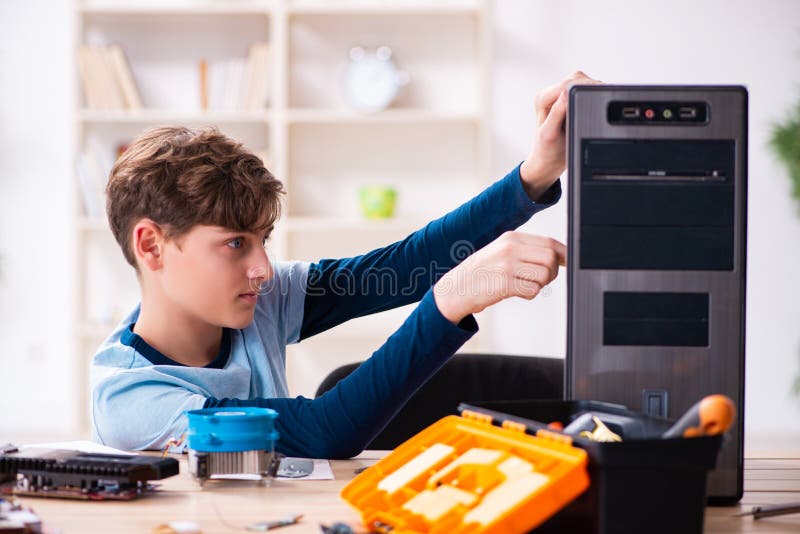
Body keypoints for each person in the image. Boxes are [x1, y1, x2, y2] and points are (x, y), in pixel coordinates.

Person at [91, 72, 599, 458]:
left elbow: (407, 267)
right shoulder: (133, 402)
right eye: (235, 244)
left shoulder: (259, 300)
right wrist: (448, 303)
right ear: (151, 246)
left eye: (263, 241)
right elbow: (323, 432)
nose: (263, 268)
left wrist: (536, 173)